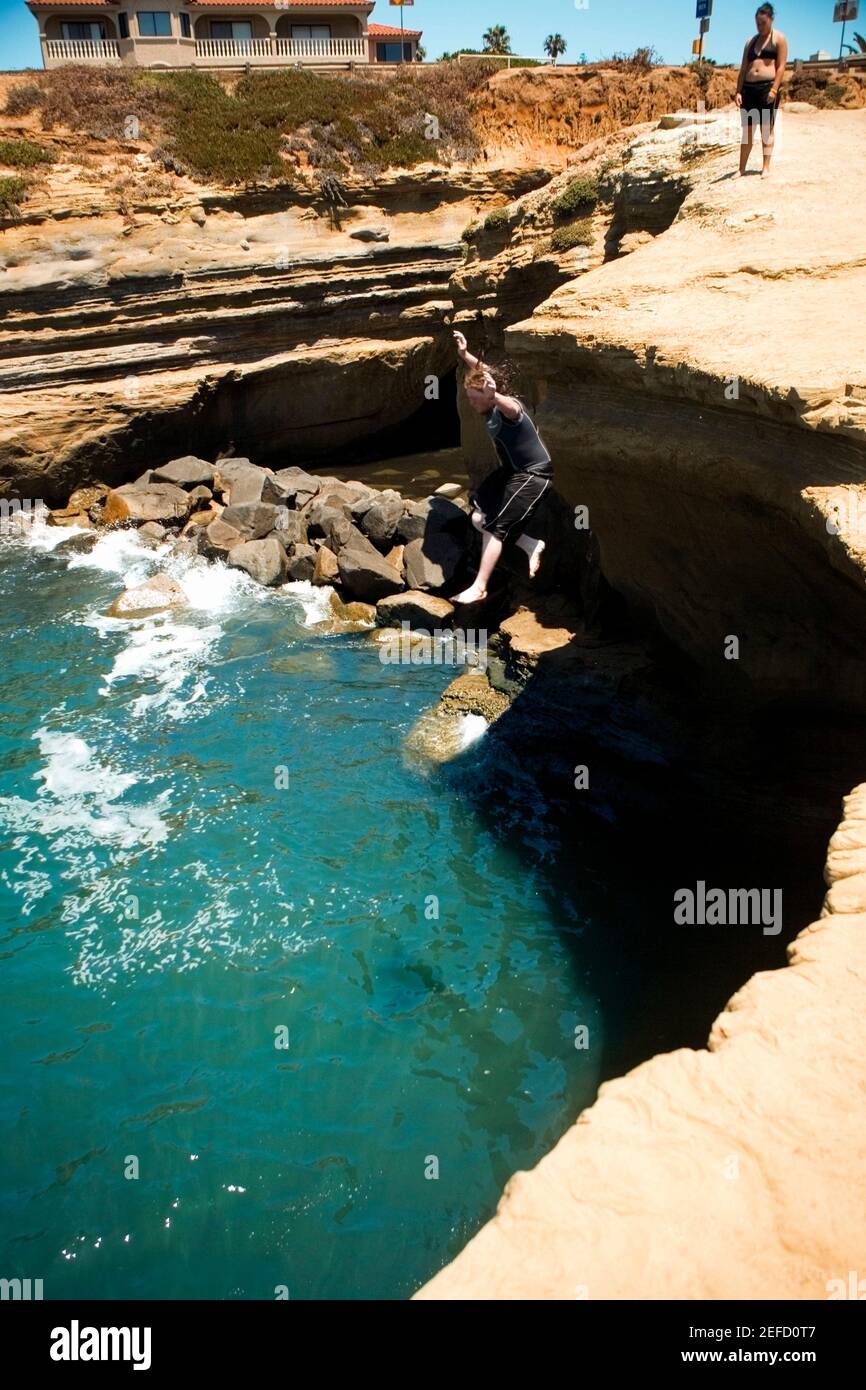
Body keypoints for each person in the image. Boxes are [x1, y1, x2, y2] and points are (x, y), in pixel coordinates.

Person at [452, 330, 553, 605]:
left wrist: (495, 396)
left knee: (496, 528)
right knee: (478, 518)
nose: (472, 403)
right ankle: (531, 544)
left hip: (534, 474)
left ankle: (480, 587)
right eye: (469, 398)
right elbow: (483, 373)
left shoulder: (508, 409)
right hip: (511, 471)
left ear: (490, 396)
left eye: (476, 398)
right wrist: (465, 355)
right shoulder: (486, 403)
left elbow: (511, 408)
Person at [734, 4, 788, 178]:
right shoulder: (750, 42)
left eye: (763, 23)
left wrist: (774, 89)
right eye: (757, 23)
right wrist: (738, 91)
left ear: (771, 19)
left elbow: (781, 67)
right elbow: (743, 68)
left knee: (766, 129)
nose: (760, 26)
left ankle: (766, 167)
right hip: (748, 89)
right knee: (748, 131)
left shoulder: (779, 39)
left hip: (767, 88)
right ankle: (741, 168)